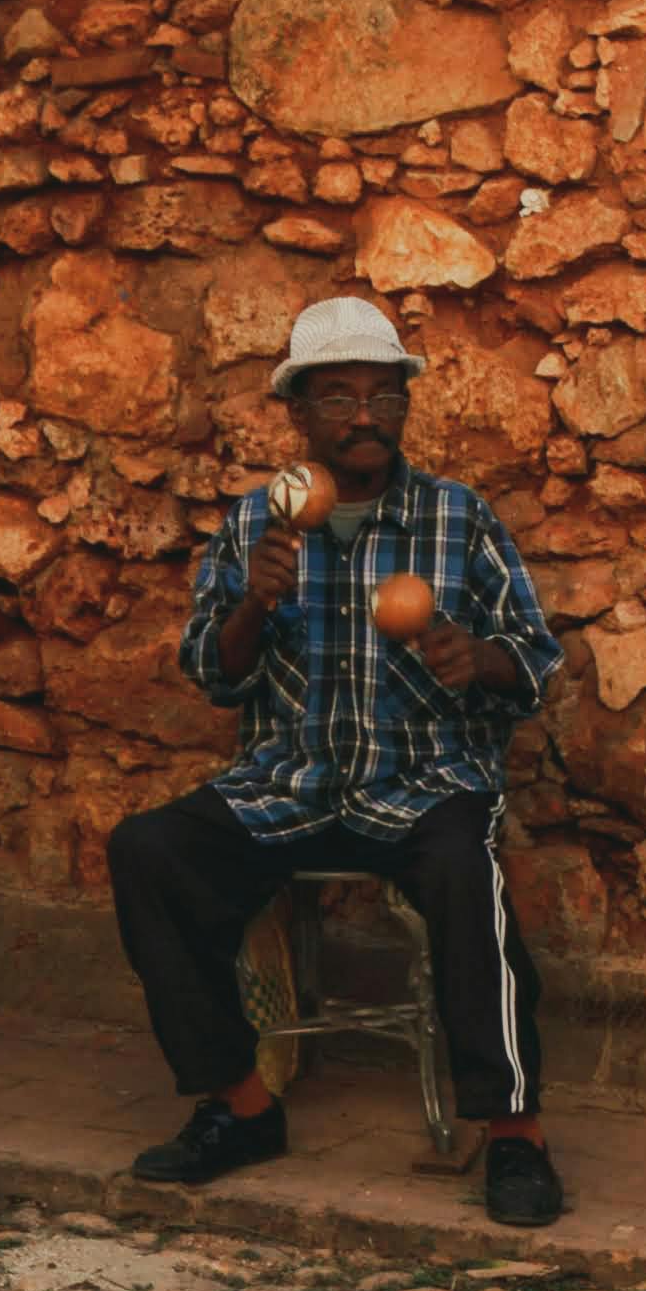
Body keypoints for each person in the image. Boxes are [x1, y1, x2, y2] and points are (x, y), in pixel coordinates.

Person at [104, 296, 572, 1226]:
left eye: (381, 395)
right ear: (299, 415)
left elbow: (534, 660)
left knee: (467, 875)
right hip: (290, 781)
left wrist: (472, 658)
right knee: (147, 850)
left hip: (424, 781)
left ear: (404, 406)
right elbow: (212, 675)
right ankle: (238, 1105)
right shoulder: (256, 524)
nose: (363, 415)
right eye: (338, 397)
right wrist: (251, 605)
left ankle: (515, 1133)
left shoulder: (456, 516)